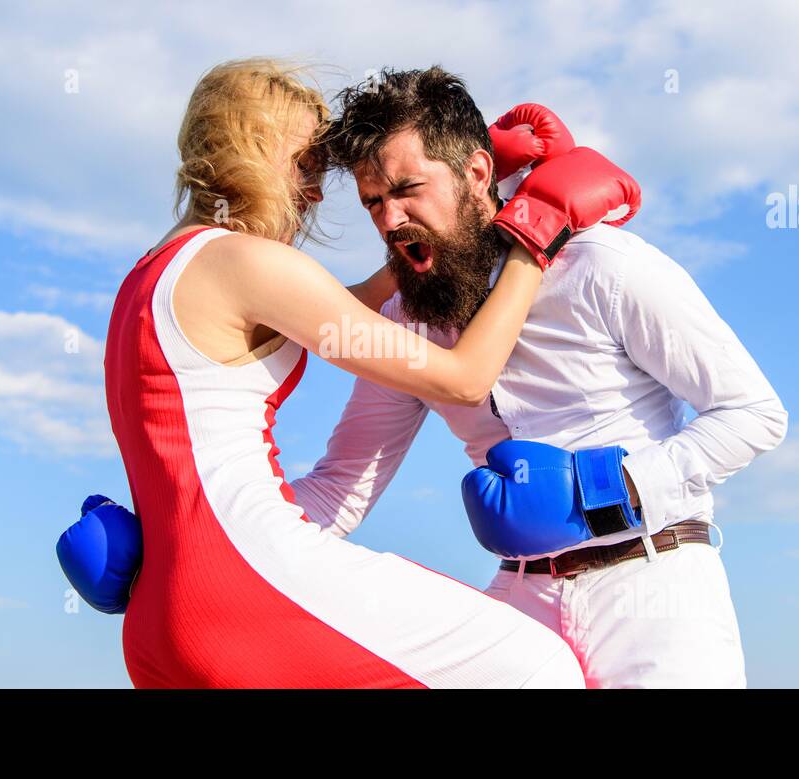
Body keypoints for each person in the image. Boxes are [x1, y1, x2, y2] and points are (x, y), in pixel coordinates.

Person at [96, 58, 639, 688]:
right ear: (254, 148)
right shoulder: (248, 262)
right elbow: (464, 377)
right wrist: (535, 231)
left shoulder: (153, 274)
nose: (316, 191)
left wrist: (473, 196)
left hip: (162, 617)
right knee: (537, 668)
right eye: (304, 164)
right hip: (249, 579)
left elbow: (360, 301)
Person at [289, 66, 789, 688]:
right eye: (373, 202)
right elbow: (339, 489)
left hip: (655, 591)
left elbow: (754, 412)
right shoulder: (405, 321)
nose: (390, 221)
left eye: (407, 189)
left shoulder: (604, 266)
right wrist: (183, 535)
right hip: (520, 602)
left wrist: (611, 487)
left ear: (475, 174)